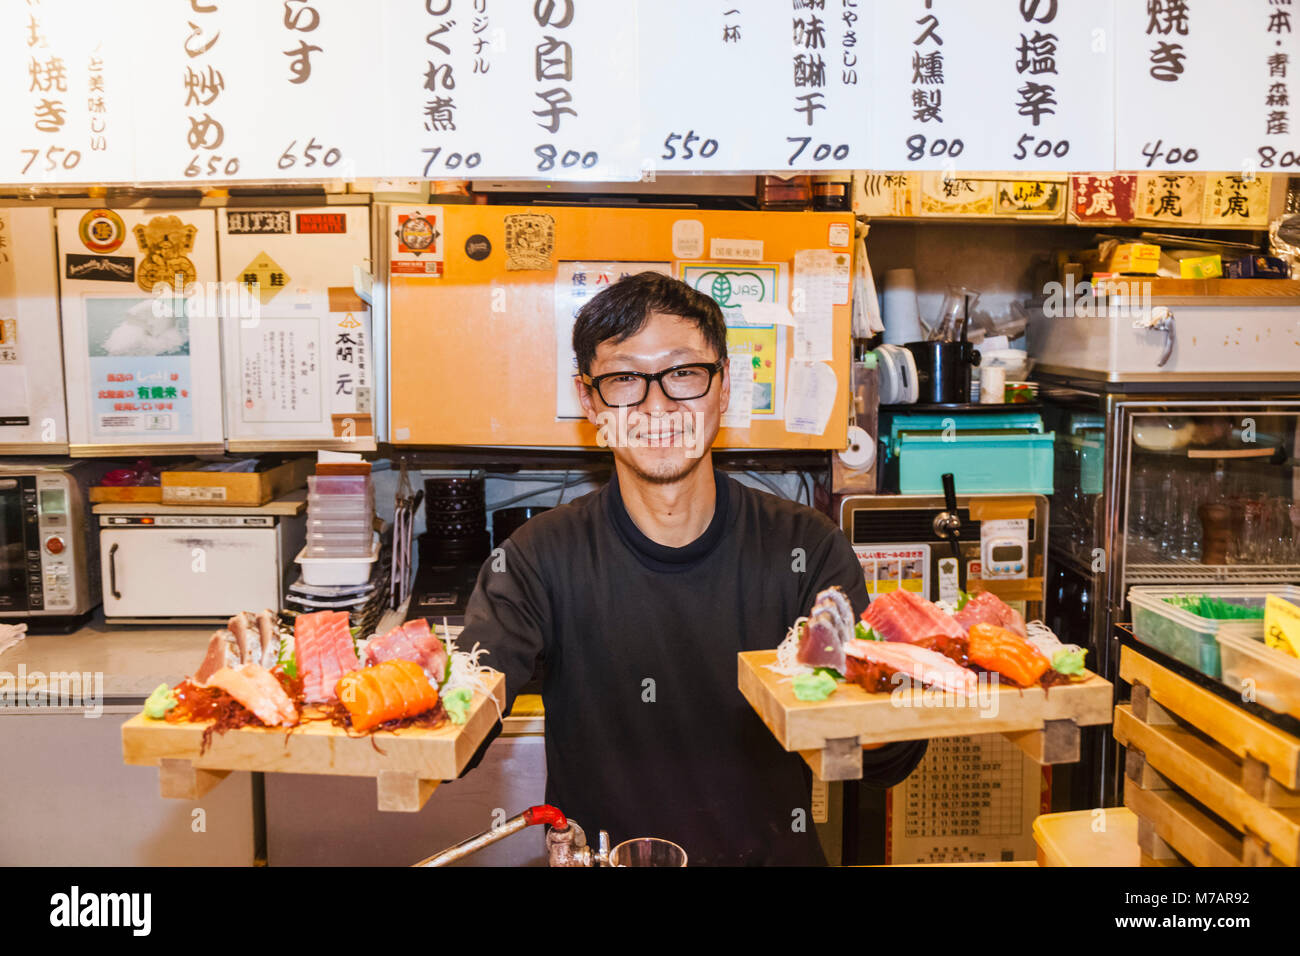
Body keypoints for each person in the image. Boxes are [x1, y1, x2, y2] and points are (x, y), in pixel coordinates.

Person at [459, 272, 925, 865]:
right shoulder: (535, 557)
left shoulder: (805, 545)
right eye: (624, 378)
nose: (657, 405)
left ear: (724, 386)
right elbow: (461, 726)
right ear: (589, 400)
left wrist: (903, 676)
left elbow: (879, 763)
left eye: (683, 373)